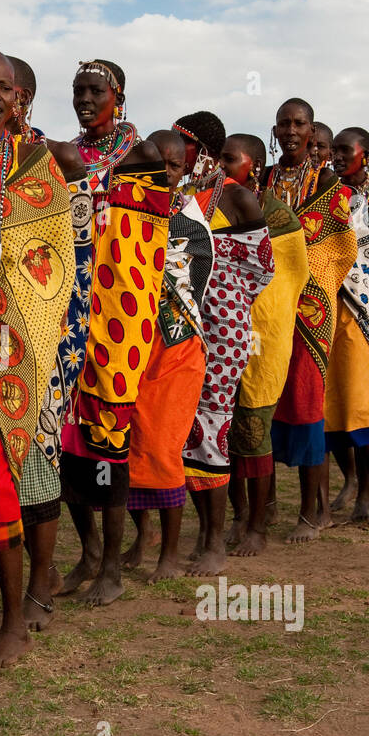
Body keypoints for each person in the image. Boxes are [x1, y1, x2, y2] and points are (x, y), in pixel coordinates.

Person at [0, 49, 75, 666]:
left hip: (26, 336)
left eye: (4, 88)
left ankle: (37, 591)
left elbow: (52, 250)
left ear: (21, 97)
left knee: (30, 469)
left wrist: (14, 312)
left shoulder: (35, 162)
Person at [56, 58, 165, 606]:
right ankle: (90, 552)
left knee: (109, 441)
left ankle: (114, 572)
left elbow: (145, 243)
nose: (84, 99)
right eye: (77, 90)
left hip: (120, 315)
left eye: (94, 90)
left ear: (117, 93)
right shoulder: (67, 155)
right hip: (69, 312)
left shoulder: (141, 155)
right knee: (65, 437)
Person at [173, 112, 273, 576]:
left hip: (224, 328)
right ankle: (195, 532)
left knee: (211, 428)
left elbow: (263, 266)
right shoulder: (179, 196)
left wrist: (223, 290)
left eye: (184, 142)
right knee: (181, 427)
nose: (174, 149)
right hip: (182, 327)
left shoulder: (236, 198)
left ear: (205, 152)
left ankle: (214, 541)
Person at [263, 98, 355, 544]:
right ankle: (261, 510)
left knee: (306, 402)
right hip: (266, 307)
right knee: (262, 399)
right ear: (275, 130)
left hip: (311, 309)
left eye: (299, 123)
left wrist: (300, 273)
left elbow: (339, 250)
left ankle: (313, 510)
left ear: (313, 130)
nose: (291, 130)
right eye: (284, 124)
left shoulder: (331, 185)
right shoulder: (265, 179)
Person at [121, 129, 211, 579]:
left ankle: (170, 556)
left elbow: (191, 289)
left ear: (185, 171)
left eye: (172, 167)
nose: (162, 174)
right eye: (153, 164)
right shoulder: (124, 212)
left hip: (175, 345)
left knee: (161, 447)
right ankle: (145, 537)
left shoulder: (191, 226)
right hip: (128, 344)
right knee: (128, 441)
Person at [223, 132, 307, 558]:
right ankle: (239, 515)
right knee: (224, 428)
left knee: (254, 428)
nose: (219, 167)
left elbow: (289, 279)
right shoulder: (211, 205)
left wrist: (253, 315)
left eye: (228, 159)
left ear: (253, 165)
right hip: (222, 333)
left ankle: (258, 525)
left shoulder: (279, 217)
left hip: (263, 334)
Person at [326, 127, 369, 523]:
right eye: (333, 150)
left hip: (364, 313)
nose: (336, 156)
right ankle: (355, 482)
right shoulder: (328, 195)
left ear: (364, 156)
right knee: (329, 406)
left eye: (343, 150)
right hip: (324, 308)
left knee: (358, 406)